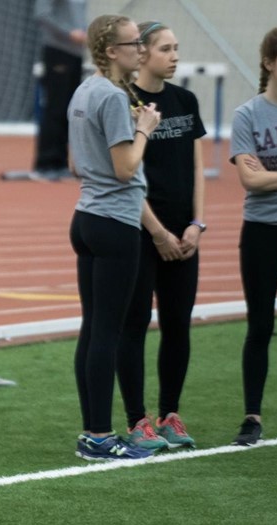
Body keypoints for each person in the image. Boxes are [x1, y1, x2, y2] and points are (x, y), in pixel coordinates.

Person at [68, 14, 161, 461]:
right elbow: (125, 169)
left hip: (86, 216)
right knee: (107, 330)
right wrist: (144, 129)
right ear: (110, 51)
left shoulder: (84, 90)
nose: (140, 49)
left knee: (93, 329)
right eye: (133, 43)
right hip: (115, 221)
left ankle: (93, 432)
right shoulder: (111, 96)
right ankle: (101, 436)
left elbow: (75, 165)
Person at [116, 21, 206, 452]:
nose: (174, 56)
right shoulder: (126, 104)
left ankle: (170, 415)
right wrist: (158, 232)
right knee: (134, 325)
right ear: (143, 53)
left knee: (177, 325)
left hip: (184, 235)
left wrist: (196, 224)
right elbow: (127, 177)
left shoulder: (185, 100)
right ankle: (138, 421)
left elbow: (197, 168)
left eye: (176, 48)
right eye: (165, 49)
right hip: (142, 233)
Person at [229, 27, 277, 447]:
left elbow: (262, 176)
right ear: (269, 64)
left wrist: (272, 177)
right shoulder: (247, 115)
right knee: (261, 325)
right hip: (261, 229)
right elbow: (250, 181)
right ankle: (252, 416)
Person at [33, 0, 88, 181]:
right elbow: (42, 14)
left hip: (76, 53)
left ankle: (61, 163)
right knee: (55, 108)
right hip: (58, 50)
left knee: (68, 109)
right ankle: (46, 163)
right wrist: (69, 33)